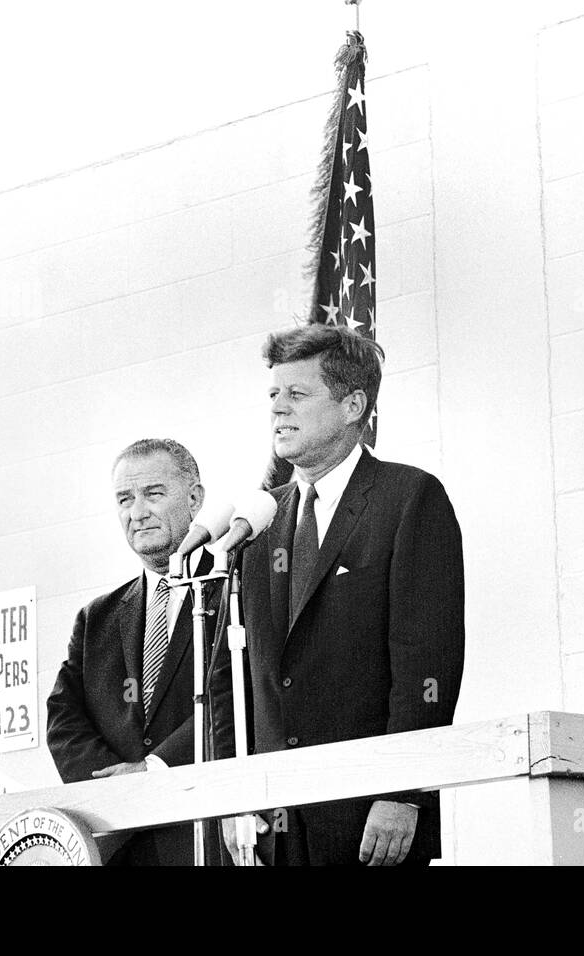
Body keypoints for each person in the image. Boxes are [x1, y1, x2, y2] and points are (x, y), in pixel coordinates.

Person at [214, 324, 465, 866]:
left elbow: (428, 663)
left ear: (353, 405)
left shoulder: (409, 498)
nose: (278, 410)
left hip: (369, 824)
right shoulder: (256, 522)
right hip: (272, 825)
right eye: (273, 396)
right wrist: (231, 797)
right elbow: (229, 682)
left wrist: (404, 791)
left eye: (297, 395)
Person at [47, 438, 212, 865]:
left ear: (195, 498)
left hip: (207, 836)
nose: (137, 513)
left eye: (153, 494)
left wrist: (155, 770)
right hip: (125, 850)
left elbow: (236, 700)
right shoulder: (96, 619)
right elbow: (64, 721)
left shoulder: (235, 588)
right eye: (125, 499)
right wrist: (121, 792)